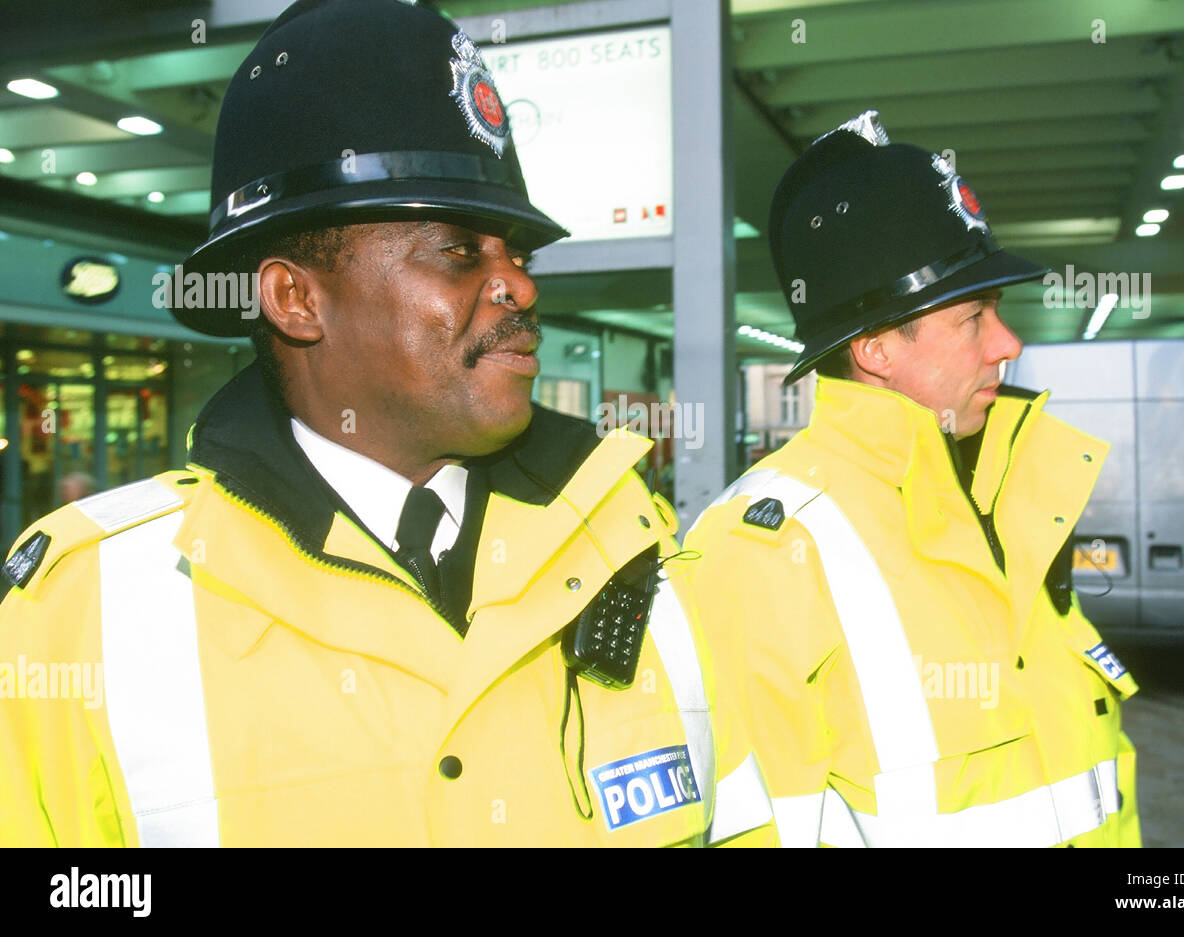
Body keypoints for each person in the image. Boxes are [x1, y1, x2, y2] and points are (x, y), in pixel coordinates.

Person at [0, 0, 773, 847]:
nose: (520, 285)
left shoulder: (634, 550)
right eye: (458, 250)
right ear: (296, 298)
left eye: (519, 252)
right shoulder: (88, 614)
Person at [685, 111, 1141, 847]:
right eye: (973, 317)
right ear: (875, 350)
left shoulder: (1005, 496)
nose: (1009, 342)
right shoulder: (764, 548)